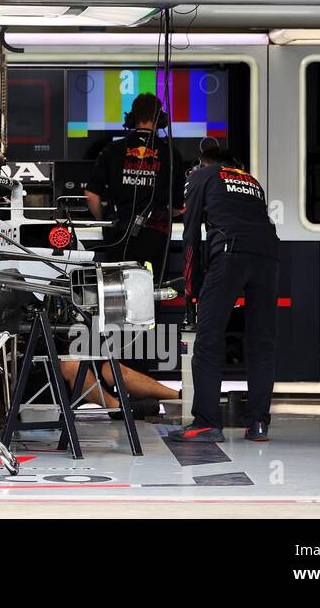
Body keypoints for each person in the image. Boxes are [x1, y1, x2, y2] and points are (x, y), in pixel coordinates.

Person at [170, 146, 280, 443]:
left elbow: (191, 234)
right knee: (261, 342)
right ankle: (258, 423)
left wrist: (192, 289)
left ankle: (206, 422)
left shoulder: (201, 176)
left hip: (230, 253)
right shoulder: (252, 181)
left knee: (209, 338)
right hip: (269, 254)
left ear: (204, 163)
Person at [83, 92, 185, 281]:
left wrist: (104, 220)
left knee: (117, 297)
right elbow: (178, 208)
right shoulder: (172, 154)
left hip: (118, 236)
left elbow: (91, 195)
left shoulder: (112, 149)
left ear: (131, 119)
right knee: (152, 294)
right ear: (160, 120)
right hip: (156, 236)